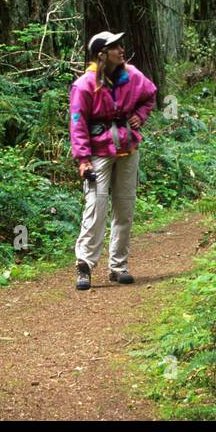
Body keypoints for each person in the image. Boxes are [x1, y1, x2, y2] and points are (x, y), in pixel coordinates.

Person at [69, 30, 157, 290]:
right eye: (115, 47)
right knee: (96, 206)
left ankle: (118, 266)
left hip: (127, 147)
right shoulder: (84, 85)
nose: (121, 50)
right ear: (101, 54)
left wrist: (140, 116)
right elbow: (78, 123)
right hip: (98, 152)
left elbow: (150, 94)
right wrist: (83, 159)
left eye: (121, 46)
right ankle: (84, 265)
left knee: (125, 206)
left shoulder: (132, 75)